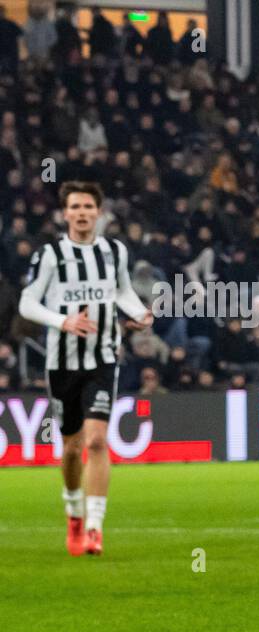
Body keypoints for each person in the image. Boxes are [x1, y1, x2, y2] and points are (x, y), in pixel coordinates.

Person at [18, 182, 153, 557]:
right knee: (72, 448)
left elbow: (121, 291)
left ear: (99, 212)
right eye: (74, 206)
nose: (81, 212)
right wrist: (62, 321)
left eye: (88, 206)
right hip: (62, 363)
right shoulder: (50, 256)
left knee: (96, 441)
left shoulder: (114, 251)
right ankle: (73, 511)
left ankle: (94, 526)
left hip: (103, 357)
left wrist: (138, 311)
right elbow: (27, 304)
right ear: (65, 214)